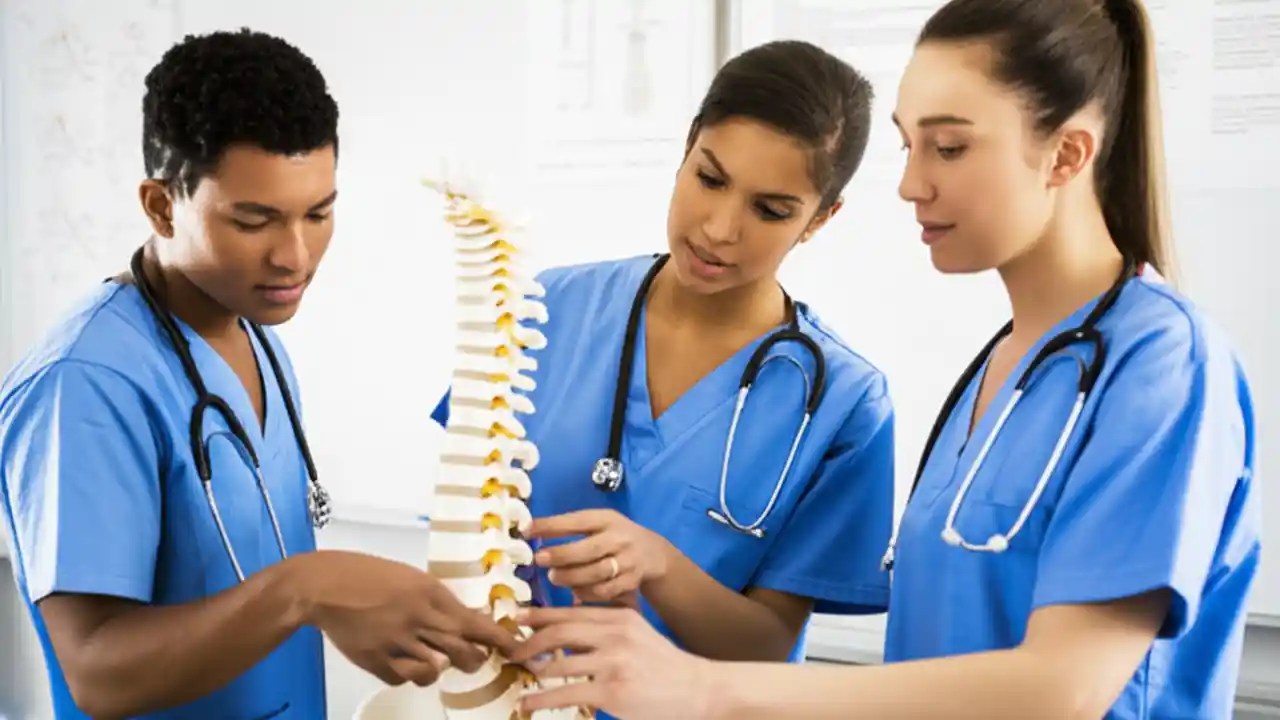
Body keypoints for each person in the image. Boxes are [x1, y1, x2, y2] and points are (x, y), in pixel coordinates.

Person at [506, 1, 1261, 718]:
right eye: (909, 144)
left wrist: (704, 690)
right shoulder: (1000, 375)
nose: (908, 184)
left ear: (1066, 154)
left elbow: (1061, 693)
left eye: (951, 147)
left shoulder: (1163, 365)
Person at [0, 29, 512, 720]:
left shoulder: (254, 334)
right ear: (160, 206)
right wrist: (306, 588)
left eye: (319, 213)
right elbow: (95, 673)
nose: (295, 257)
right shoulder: (85, 384)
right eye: (254, 220)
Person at [433, 39, 894, 672]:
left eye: (771, 210)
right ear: (686, 148)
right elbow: (464, 527)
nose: (718, 228)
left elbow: (766, 645)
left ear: (819, 219)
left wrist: (658, 566)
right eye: (710, 178)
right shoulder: (545, 311)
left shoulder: (844, 404)